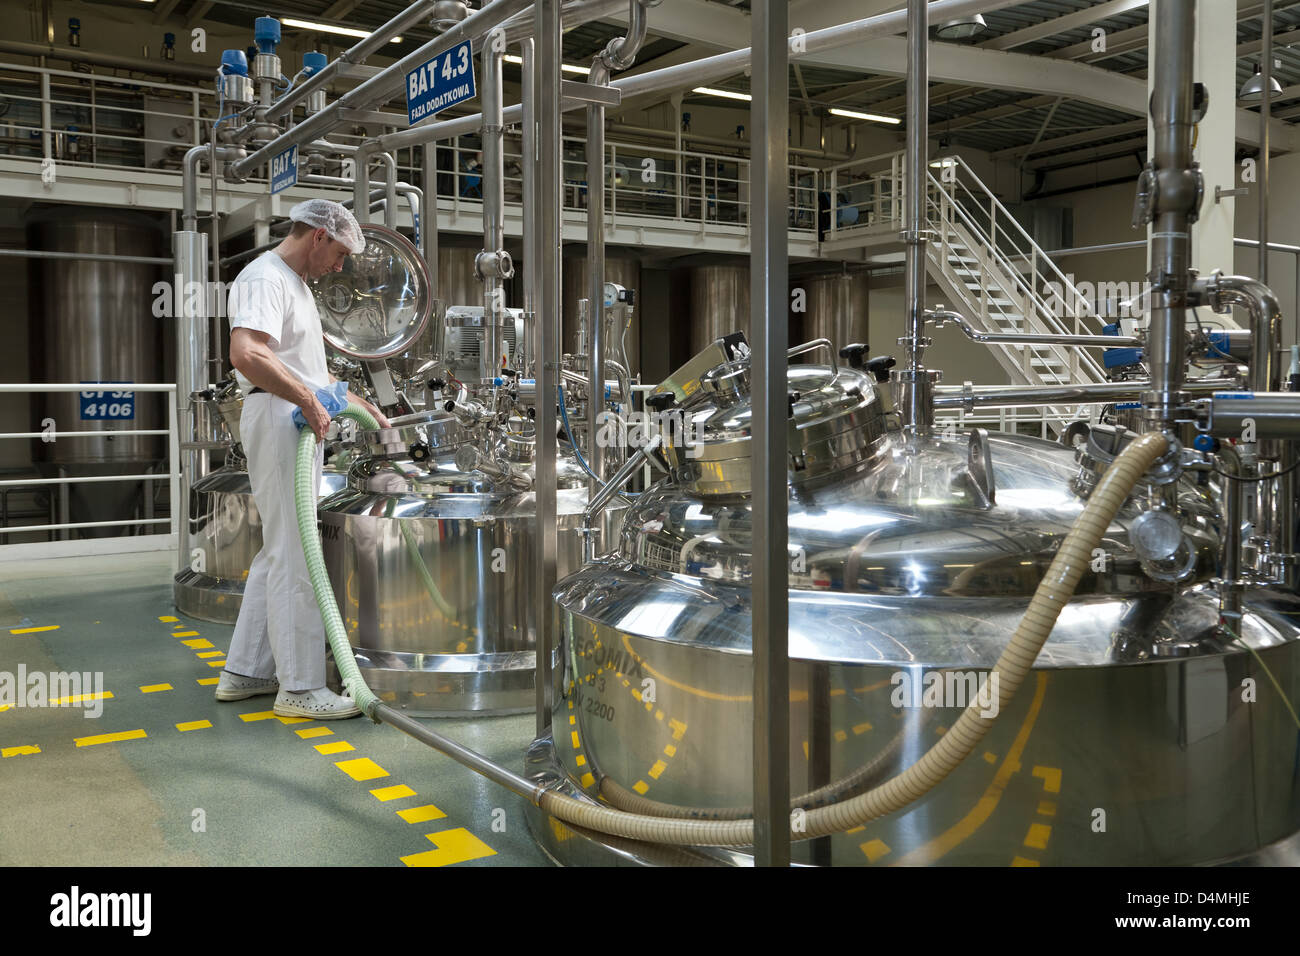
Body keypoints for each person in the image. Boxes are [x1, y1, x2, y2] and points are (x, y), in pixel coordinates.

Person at [215, 199, 389, 719]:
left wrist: (354, 401)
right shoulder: (265, 277)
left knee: (279, 548)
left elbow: (302, 368)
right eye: (338, 253)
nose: (339, 265)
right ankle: (301, 687)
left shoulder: (293, 286)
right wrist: (311, 402)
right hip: (279, 417)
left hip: (286, 414)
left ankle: (246, 669)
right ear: (317, 236)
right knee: (297, 553)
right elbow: (247, 353)